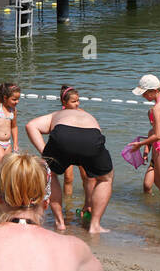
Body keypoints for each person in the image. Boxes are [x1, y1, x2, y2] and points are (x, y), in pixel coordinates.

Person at [26, 93, 113, 234]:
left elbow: (31, 125)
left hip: (63, 136)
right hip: (91, 138)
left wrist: (45, 152)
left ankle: (59, 222)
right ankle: (95, 225)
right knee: (105, 178)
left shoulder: (56, 114)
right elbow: (98, 134)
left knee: (51, 174)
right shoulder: (87, 115)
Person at [130, 74, 160, 209]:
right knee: (158, 181)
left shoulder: (157, 108)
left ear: (154, 91)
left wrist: (140, 144)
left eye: (144, 93)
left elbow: (157, 135)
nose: (143, 96)